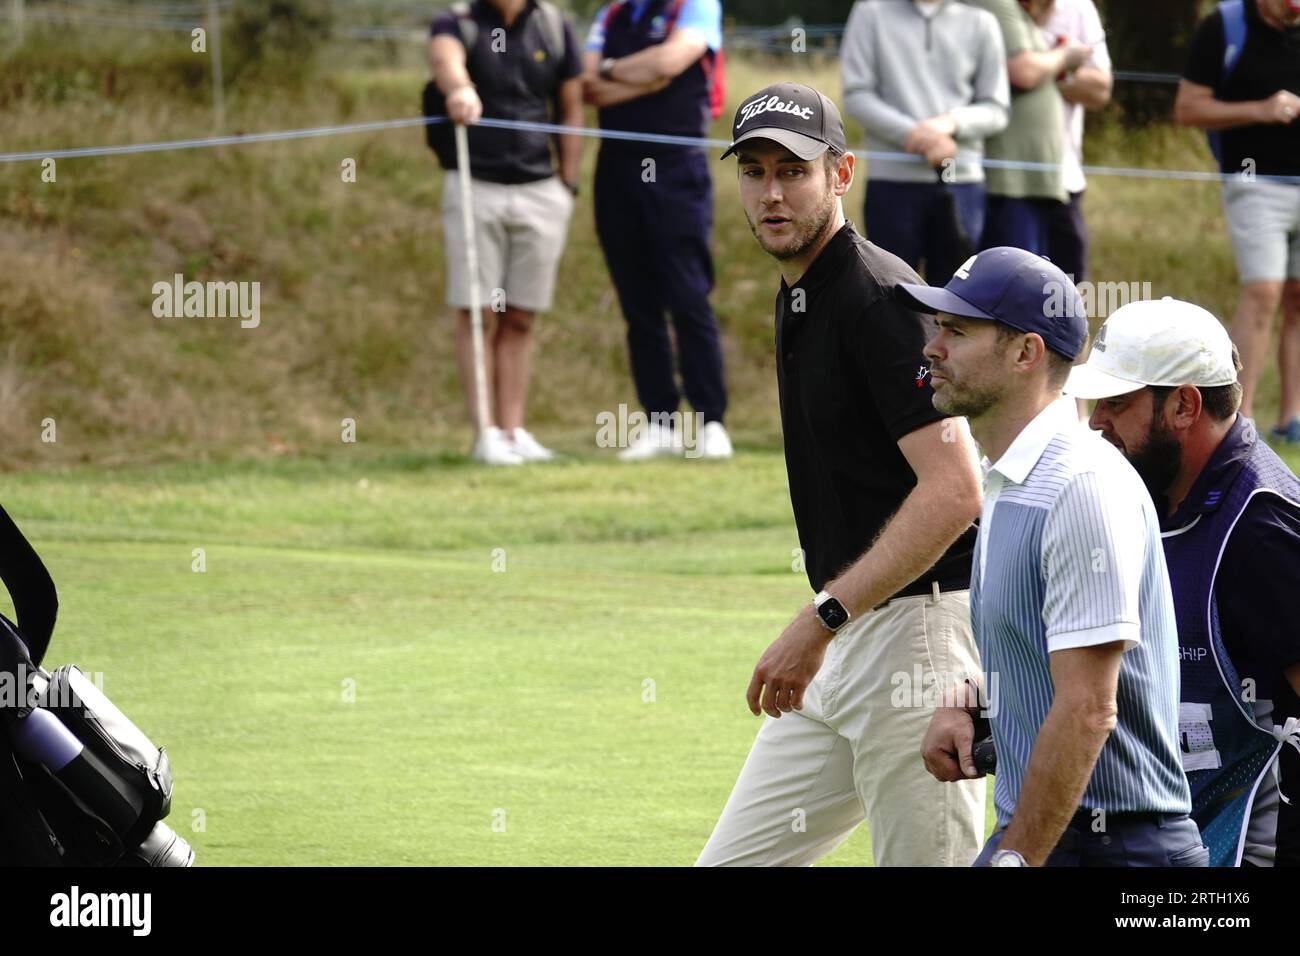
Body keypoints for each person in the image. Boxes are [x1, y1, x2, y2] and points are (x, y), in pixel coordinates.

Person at [697, 83, 986, 867]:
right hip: (851, 635)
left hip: (919, 641)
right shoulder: (800, 291)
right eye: (753, 172)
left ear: (842, 174)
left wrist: (818, 617)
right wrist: (832, 622)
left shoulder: (876, 298)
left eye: (793, 170)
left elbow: (957, 491)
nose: (771, 192)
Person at [909, 249, 1205, 867]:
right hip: (1060, 836)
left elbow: (1089, 707)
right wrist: (973, 702)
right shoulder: (1010, 479)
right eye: (938, 328)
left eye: (956, 331)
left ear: (1026, 353)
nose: (933, 348)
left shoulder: (1078, 486)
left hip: (1119, 851)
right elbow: (1045, 651)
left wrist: (1016, 859)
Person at [1070, 298, 1300, 866]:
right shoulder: (1145, 493)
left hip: (1244, 848)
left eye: (1116, 403)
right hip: (1155, 835)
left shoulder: (1261, 530)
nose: (1097, 420)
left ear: (1183, 406)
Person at [428, 0, 584, 465]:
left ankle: (513, 431)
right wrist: (459, 89)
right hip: (476, 185)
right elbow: (445, 59)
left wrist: (568, 184)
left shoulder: (554, 27)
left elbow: (571, 104)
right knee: (477, 313)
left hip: (541, 189)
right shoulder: (458, 22)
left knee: (520, 316)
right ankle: (486, 435)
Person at [583, 0, 732, 460]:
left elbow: (670, 62)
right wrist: (643, 77)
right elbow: (590, 87)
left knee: (688, 296)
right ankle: (660, 422)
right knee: (638, 302)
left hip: (676, 169)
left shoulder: (697, 7)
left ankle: (710, 422)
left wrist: (620, 71)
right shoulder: (611, 15)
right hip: (616, 170)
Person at [1175, 0, 1300, 445]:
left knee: (1298, 298)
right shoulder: (1225, 27)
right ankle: (1237, 419)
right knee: (1263, 291)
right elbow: (1188, 108)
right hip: (1254, 182)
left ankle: (1293, 420)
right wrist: (1260, 109)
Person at [840, 0, 1009, 283]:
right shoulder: (870, 13)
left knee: (957, 300)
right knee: (890, 295)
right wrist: (915, 135)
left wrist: (949, 124)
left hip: (962, 183)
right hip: (892, 183)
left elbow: (996, 107)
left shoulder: (981, 22)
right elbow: (857, 95)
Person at [967, 0, 1089, 255]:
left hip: (1027, 181)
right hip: (1010, 182)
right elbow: (1023, 70)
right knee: (1009, 284)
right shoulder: (994, 3)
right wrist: (1065, 55)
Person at [1041, 0, 1112, 283]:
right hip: (993, 182)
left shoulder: (1078, 8)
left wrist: (1038, 69)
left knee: (1065, 298)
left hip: (1063, 178)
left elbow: (1099, 90)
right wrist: (1061, 59)